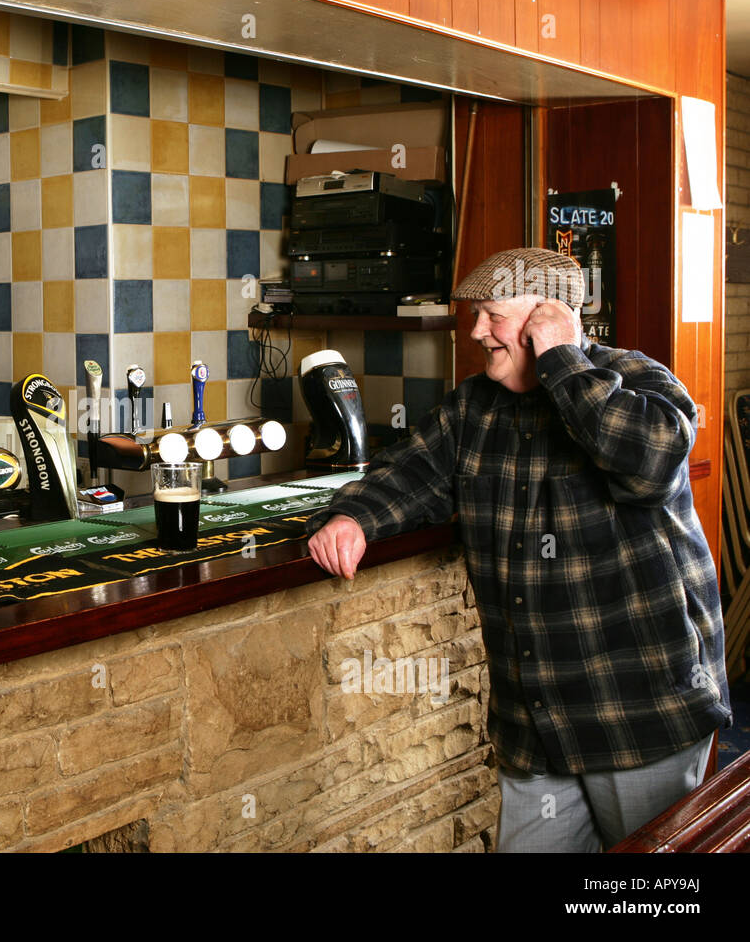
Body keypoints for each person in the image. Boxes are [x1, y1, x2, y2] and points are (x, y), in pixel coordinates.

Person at [306, 247, 732, 852]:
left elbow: (649, 464)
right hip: (537, 723)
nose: (477, 332)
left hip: (640, 711)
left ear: (549, 318)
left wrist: (563, 361)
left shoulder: (636, 380)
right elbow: (409, 474)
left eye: (493, 316)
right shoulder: (474, 408)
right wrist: (352, 516)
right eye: (474, 316)